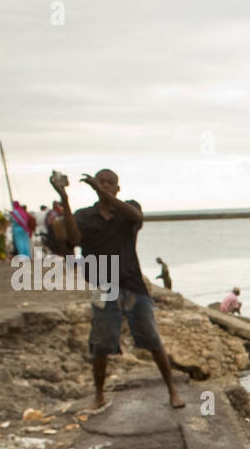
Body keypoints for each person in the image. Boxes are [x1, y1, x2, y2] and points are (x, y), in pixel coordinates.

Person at [52, 169, 184, 411]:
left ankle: (172, 390)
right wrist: (64, 198)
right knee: (100, 343)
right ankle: (99, 394)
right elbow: (73, 237)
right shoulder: (85, 216)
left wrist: (103, 193)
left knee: (152, 338)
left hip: (132, 284)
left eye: (109, 183)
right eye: (101, 182)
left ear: (117, 188)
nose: (104, 186)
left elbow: (136, 217)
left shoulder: (128, 211)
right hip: (102, 286)